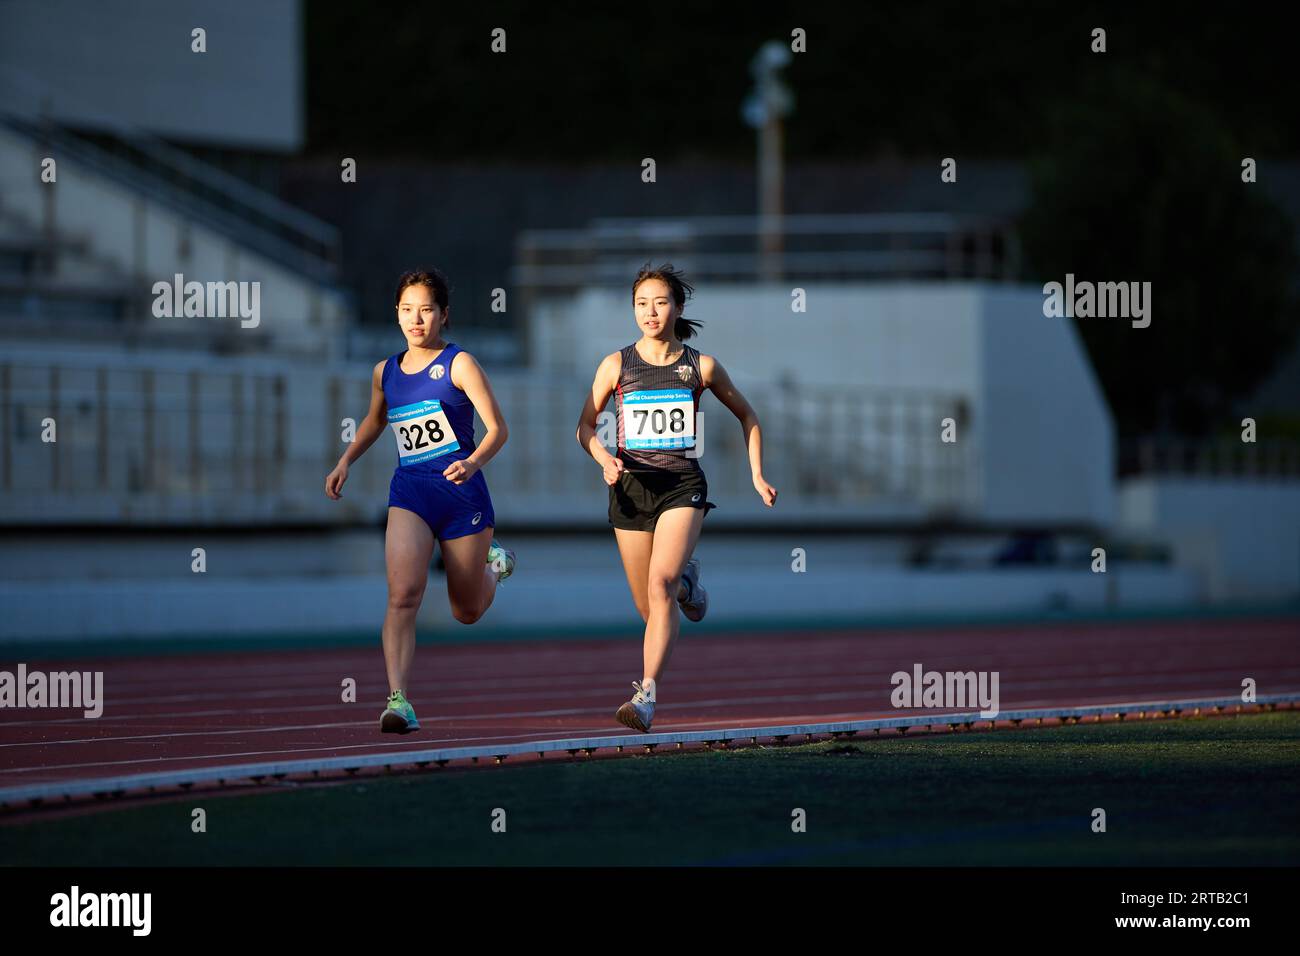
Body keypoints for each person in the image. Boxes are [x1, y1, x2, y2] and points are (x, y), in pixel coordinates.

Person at [575, 263, 777, 732]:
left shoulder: (699, 366)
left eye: (660, 302)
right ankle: (689, 586)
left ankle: (645, 696)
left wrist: (757, 475)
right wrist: (604, 458)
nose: (650, 312)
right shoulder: (615, 365)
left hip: (682, 488)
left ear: (678, 307)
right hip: (629, 490)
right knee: (650, 607)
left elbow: (748, 415)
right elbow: (584, 426)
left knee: (658, 584)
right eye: (641, 303)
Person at [326, 269, 515, 733]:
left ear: (443, 315)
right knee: (402, 596)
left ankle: (493, 565)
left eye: (426, 309)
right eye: (407, 310)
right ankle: (398, 701)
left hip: (461, 494)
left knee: (465, 611)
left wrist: (471, 463)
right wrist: (346, 459)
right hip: (410, 493)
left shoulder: (460, 364)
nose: (416, 319)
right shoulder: (384, 371)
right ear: (397, 313)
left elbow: (498, 429)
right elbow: (374, 421)